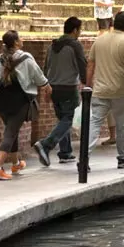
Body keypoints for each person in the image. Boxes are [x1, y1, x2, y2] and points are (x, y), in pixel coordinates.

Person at [0, 29, 47, 181]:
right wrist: (47, 85)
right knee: (10, 133)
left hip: (2, 101)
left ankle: (16, 163)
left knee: (12, 130)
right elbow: (39, 78)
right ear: (16, 42)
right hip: (19, 101)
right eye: (20, 38)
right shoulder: (26, 58)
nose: (22, 39)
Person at [86, 9, 124, 169]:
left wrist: (88, 85)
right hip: (120, 91)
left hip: (100, 90)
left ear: (113, 23)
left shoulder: (100, 40)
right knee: (123, 124)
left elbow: (90, 64)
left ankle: (84, 158)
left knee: (94, 124)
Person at [34, 17, 87, 165]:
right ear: (75, 30)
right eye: (79, 30)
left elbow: (46, 67)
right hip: (69, 88)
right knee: (68, 119)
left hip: (53, 87)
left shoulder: (52, 46)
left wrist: (46, 88)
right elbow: (82, 65)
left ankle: (65, 152)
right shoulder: (75, 46)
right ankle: (46, 144)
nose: (80, 33)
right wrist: (86, 82)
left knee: (62, 119)